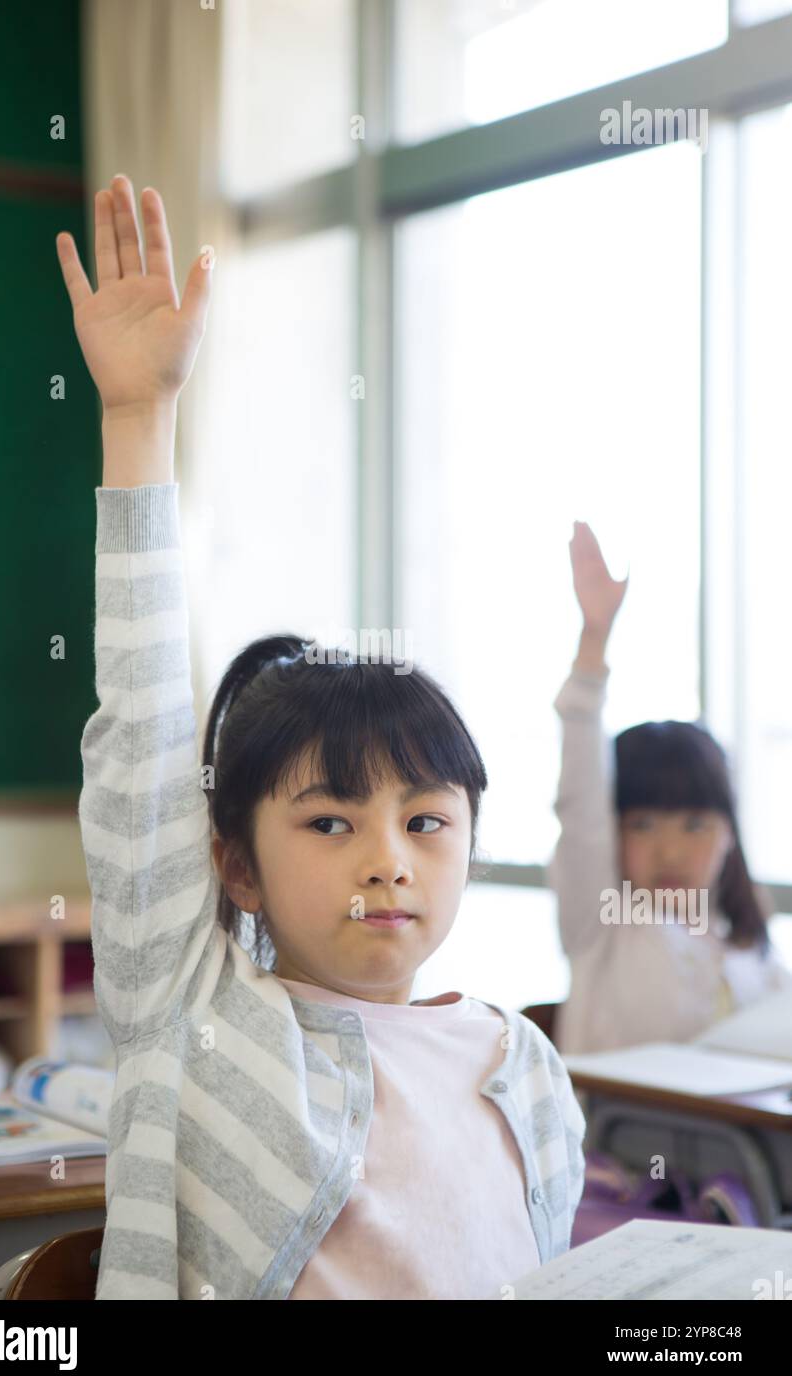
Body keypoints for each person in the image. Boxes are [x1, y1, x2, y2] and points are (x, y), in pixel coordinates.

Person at [56, 173, 586, 1300]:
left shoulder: (521, 1066)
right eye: (330, 819)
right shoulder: (195, 1016)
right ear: (234, 864)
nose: (387, 857)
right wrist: (137, 417)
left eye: (426, 819)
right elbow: (142, 732)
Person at [551, 521, 792, 1056]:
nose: (671, 849)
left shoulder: (747, 938)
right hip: (616, 1140)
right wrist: (594, 642)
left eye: (695, 824)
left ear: (729, 833)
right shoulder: (603, 919)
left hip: (740, 1140)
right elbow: (581, 806)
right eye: (642, 824)